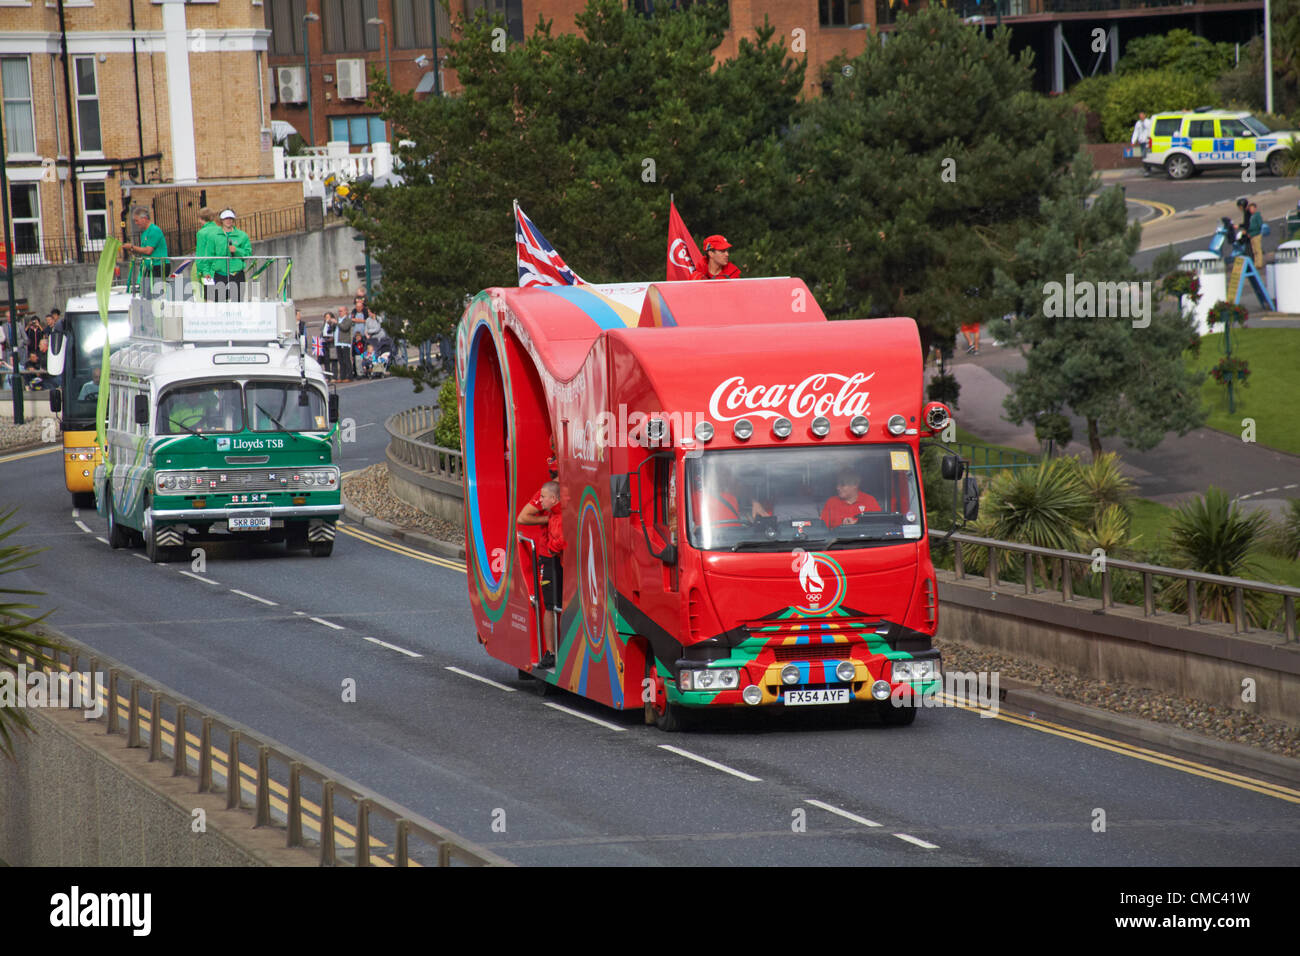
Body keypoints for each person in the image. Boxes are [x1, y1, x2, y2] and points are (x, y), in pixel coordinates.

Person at [517, 480, 561, 668]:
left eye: (543, 497)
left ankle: (557, 651)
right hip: (550, 557)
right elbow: (522, 517)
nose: (540, 499)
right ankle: (551, 651)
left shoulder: (561, 500)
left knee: (558, 605)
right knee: (551, 605)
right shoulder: (553, 495)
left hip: (557, 557)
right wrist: (548, 519)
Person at [212, 209, 252, 302]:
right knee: (219, 302)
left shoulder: (242, 236)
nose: (228, 220)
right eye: (226, 218)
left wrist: (237, 250)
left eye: (231, 218)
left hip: (237, 273)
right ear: (221, 220)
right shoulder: (214, 236)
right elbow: (209, 254)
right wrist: (208, 272)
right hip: (220, 273)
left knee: (237, 302)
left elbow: (247, 253)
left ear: (234, 220)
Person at [124, 207, 169, 286]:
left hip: (159, 265)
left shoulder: (154, 230)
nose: (136, 223)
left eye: (137, 220)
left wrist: (132, 247)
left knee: (155, 294)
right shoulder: (144, 233)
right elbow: (143, 250)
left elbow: (148, 251)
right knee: (147, 293)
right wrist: (131, 250)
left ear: (144, 219)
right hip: (150, 266)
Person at [193, 206, 223, 300]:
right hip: (220, 268)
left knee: (209, 297)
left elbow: (200, 253)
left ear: (201, 219)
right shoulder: (220, 230)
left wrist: (200, 271)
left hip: (207, 270)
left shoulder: (201, 233)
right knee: (220, 296)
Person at [1131, 112, 1152, 177]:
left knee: (1146, 155)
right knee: (1143, 156)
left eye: (1142, 115)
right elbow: (1136, 132)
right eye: (1140, 116)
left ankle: (1148, 170)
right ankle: (1147, 169)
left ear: (1145, 116)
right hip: (1141, 142)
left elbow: (1151, 131)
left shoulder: (1148, 122)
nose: (1141, 117)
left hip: (1147, 141)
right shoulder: (1138, 123)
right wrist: (1133, 141)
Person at [1247, 202, 1265, 269]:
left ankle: (1259, 264)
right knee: (1254, 250)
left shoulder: (1257, 216)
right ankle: (1256, 263)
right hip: (1251, 236)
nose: (1250, 210)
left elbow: (1259, 225)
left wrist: (1251, 231)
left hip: (1256, 235)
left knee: (1258, 249)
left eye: (1252, 208)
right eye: (1250, 209)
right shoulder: (1250, 216)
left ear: (1255, 208)